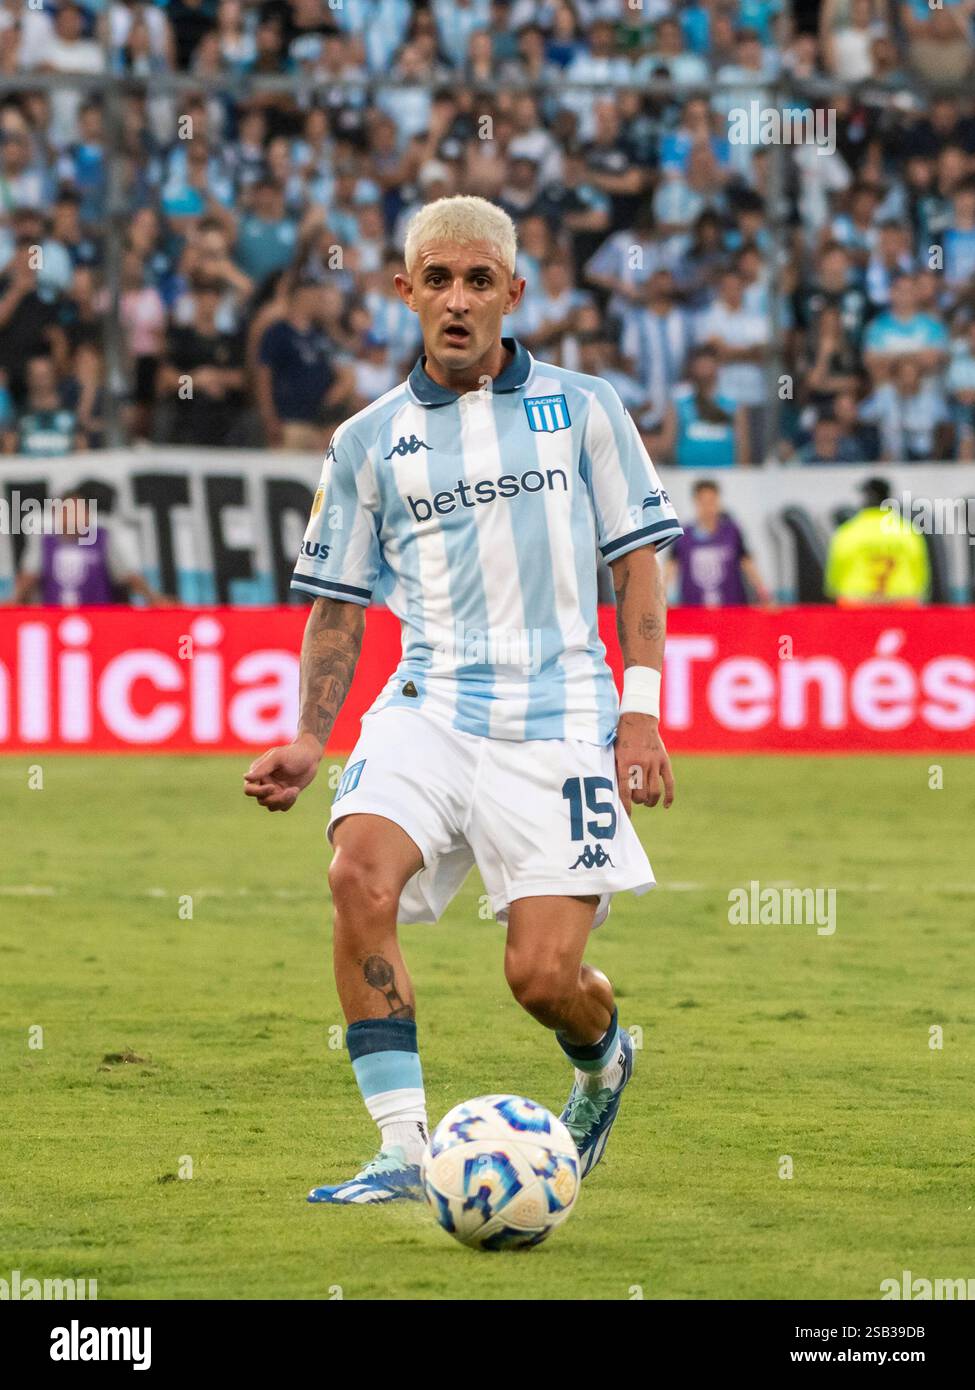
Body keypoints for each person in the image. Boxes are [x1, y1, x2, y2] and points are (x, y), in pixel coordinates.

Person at [244, 195, 683, 1204]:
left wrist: (641, 709)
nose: (456, 299)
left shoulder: (585, 409)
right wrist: (311, 738)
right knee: (356, 873)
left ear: (513, 293)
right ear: (404, 289)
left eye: (478, 280)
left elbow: (637, 567)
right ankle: (402, 1147)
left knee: (540, 979)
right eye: (435, 279)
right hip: (428, 706)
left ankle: (604, 1054)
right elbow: (338, 607)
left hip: (563, 721)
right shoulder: (364, 442)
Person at [10, 493, 171, 606]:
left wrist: (153, 598)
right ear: (58, 514)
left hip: (98, 619)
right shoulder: (45, 543)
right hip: (54, 618)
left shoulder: (102, 539)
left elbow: (127, 576)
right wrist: (13, 601)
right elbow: (28, 578)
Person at [824, 476, 930, 605]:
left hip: (856, 606)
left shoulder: (847, 532)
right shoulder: (908, 531)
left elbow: (833, 581)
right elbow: (921, 578)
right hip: (901, 606)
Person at [666, 478, 771, 607]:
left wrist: (763, 591)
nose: (708, 507)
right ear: (695, 502)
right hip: (694, 609)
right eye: (703, 502)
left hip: (731, 607)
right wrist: (661, 595)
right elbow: (670, 567)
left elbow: (747, 562)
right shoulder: (683, 535)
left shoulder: (732, 531)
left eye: (712, 501)